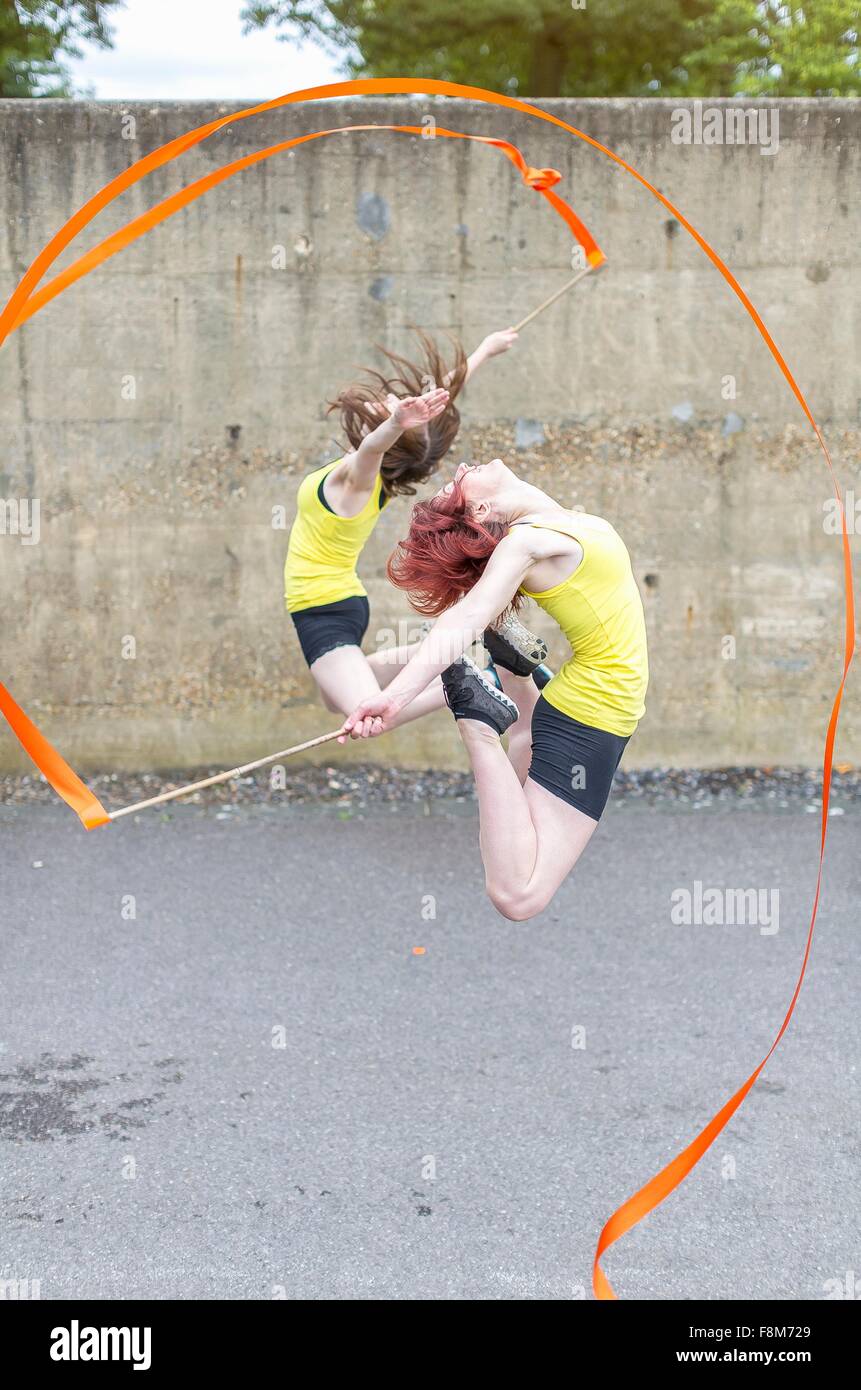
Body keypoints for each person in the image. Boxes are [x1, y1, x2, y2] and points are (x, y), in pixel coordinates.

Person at [341, 458, 649, 920]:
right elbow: (466, 617)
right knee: (517, 896)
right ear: (482, 508)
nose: (462, 464)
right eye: (455, 483)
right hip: (593, 714)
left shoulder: (560, 523)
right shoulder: (526, 542)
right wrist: (396, 696)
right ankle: (478, 723)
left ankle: (513, 674)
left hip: (581, 702)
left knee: (526, 752)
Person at [284, 329, 518, 726]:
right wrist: (484, 351)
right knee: (333, 699)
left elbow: (373, 448)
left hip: (322, 610)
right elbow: (436, 401)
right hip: (337, 602)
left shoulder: (356, 483)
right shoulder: (382, 479)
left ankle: (469, 684)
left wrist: (395, 422)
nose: (396, 401)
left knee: (368, 716)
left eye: (398, 409)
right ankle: (455, 653)